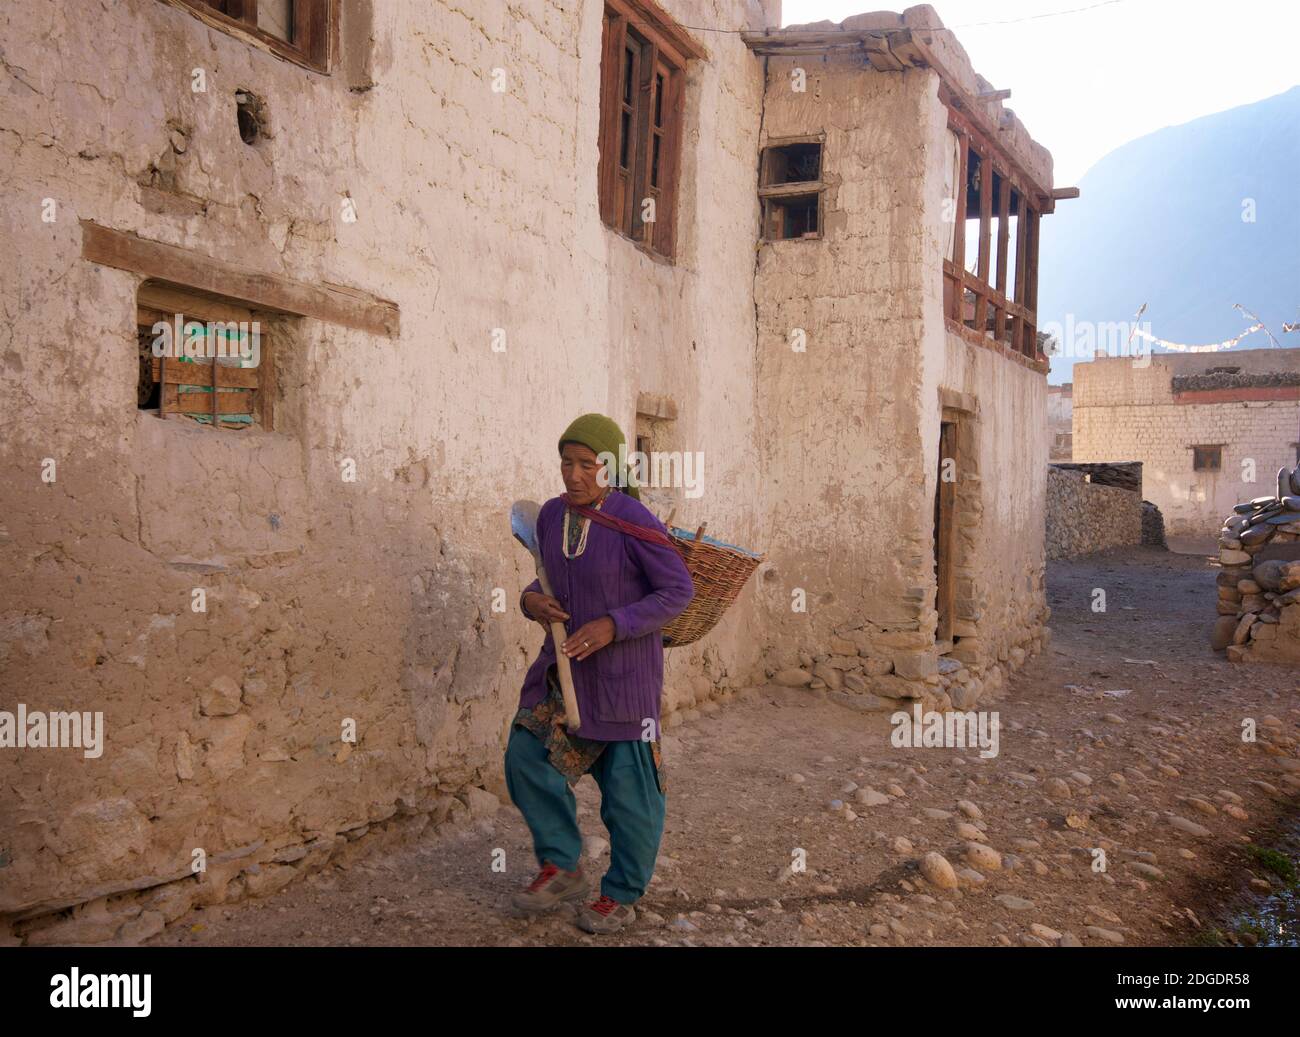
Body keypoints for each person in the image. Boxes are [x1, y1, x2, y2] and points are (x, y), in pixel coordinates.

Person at [505, 412, 694, 934]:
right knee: (526, 756)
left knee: (630, 793)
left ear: (609, 468)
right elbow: (544, 576)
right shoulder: (548, 516)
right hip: (563, 673)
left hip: (624, 680)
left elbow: (678, 591)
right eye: (567, 462)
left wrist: (616, 624)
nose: (574, 474)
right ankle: (563, 865)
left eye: (587, 464)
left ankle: (622, 893)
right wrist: (531, 601)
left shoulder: (635, 520)